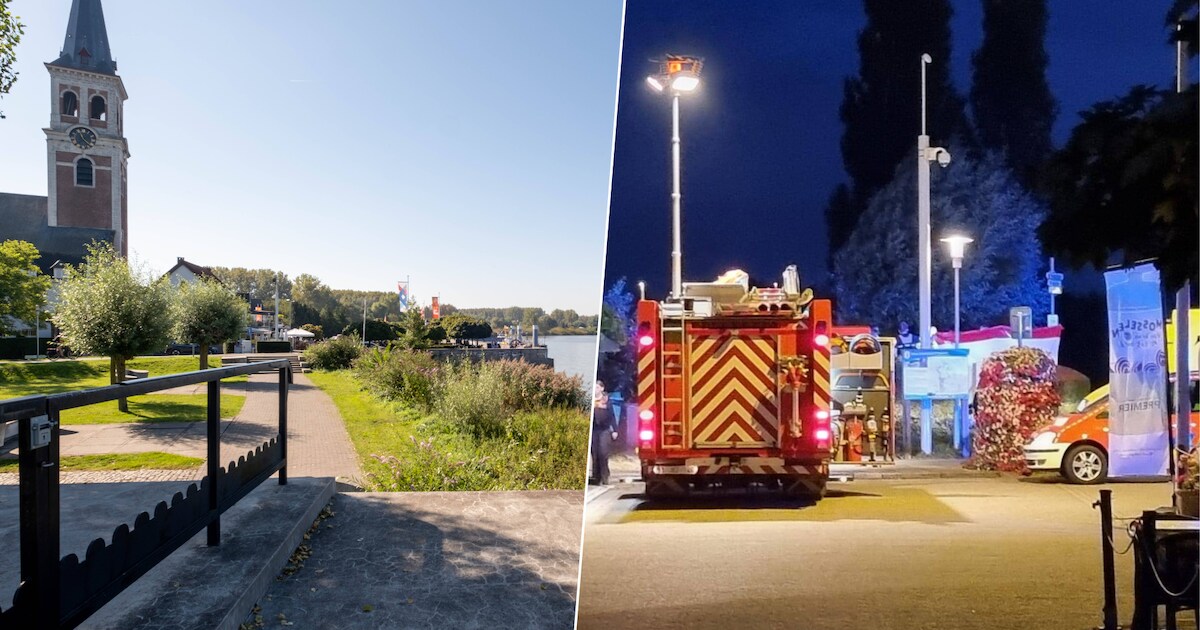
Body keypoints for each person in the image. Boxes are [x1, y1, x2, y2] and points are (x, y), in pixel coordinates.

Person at [591, 380, 619, 485]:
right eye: (594, 388)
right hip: (594, 430)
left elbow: (612, 415)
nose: (595, 390)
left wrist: (615, 430)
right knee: (595, 454)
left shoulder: (606, 400)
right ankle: (596, 477)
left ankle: (605, 475)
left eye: (597, 387)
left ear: (602, 389)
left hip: (604, 429)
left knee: (603, 452)